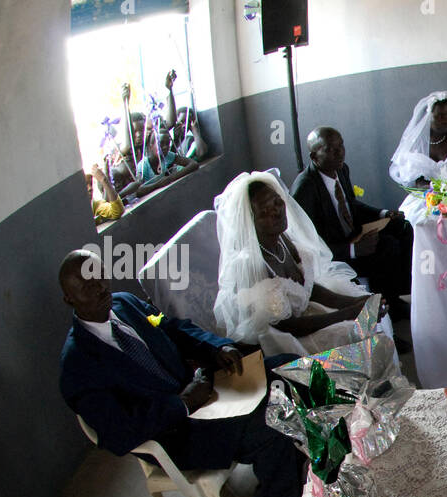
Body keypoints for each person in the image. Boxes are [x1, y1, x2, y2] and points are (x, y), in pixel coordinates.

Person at [57, 249, 306, 497]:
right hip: (175, 432)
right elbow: (119, 433)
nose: (100, 288)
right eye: (87, 287)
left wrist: (215, 347)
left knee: (292, 370)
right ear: (69, 300)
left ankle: (293, 478)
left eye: (100, 277)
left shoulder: (125, 304)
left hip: (204, 390)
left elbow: (174, 329)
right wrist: (183, 403)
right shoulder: (77, 365)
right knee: (271, 428)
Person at [215, 172, 379, 358]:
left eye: (277, 202)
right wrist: (348, 313)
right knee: (356, 331)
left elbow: (308, 288)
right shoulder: (252, 264)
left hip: (304, 315)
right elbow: (287, 325)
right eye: (264, 212)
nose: (277, 212)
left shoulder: (281, 238)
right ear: (250, 222)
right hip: (286, 338)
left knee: (369, 307)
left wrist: (353, 303)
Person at [291, 126, 414, 322]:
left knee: (403, 227)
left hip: (353, 234)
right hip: (335, 252)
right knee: (387, 247)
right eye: (331, 149)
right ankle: (384, 312)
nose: (340, 153)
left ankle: (395, 295)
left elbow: (351, 205)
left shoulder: (341, 169)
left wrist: (383, 213)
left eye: (341, 146)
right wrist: (353, 250)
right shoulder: (304, 189)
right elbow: (310, 244)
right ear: (314, 157)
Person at [134, 126, 197, 197]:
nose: (165, 147)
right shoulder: (143, 165)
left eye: (167, 144)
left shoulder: (166, 156)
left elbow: (193, 164)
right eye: (161, 144)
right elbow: (138, 191)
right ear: (151, 146)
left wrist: (171, 178)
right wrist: (158, 184)